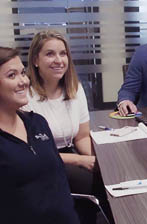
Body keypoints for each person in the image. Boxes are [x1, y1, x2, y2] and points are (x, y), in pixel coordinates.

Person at [23, 30, 112, 223]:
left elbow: (81, 136)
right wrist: (80, 161)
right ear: (36, 60)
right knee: (98, 184)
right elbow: (32, 151)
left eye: (63, 54)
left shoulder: (75, 88)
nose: (58, 60)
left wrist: (96, 161)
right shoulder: (25, 96)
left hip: (69, 154)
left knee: (109, 173)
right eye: (50, 54)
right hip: (41, 163)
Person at [0, 46, 79, 223]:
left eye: (22, 73)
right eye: (12, 75)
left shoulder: (37, 123)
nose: (24, 81)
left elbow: (60, 183)